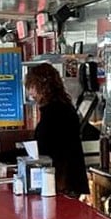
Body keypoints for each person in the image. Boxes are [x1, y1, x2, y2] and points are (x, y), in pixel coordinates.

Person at [24, 62, 89, 196]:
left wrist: (4, 156)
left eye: (32, 86)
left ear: (44, 86)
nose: (31, 93)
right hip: (64, 182)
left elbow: (43, 148)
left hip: (62, 183)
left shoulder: (56, 111)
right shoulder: (59, 107)